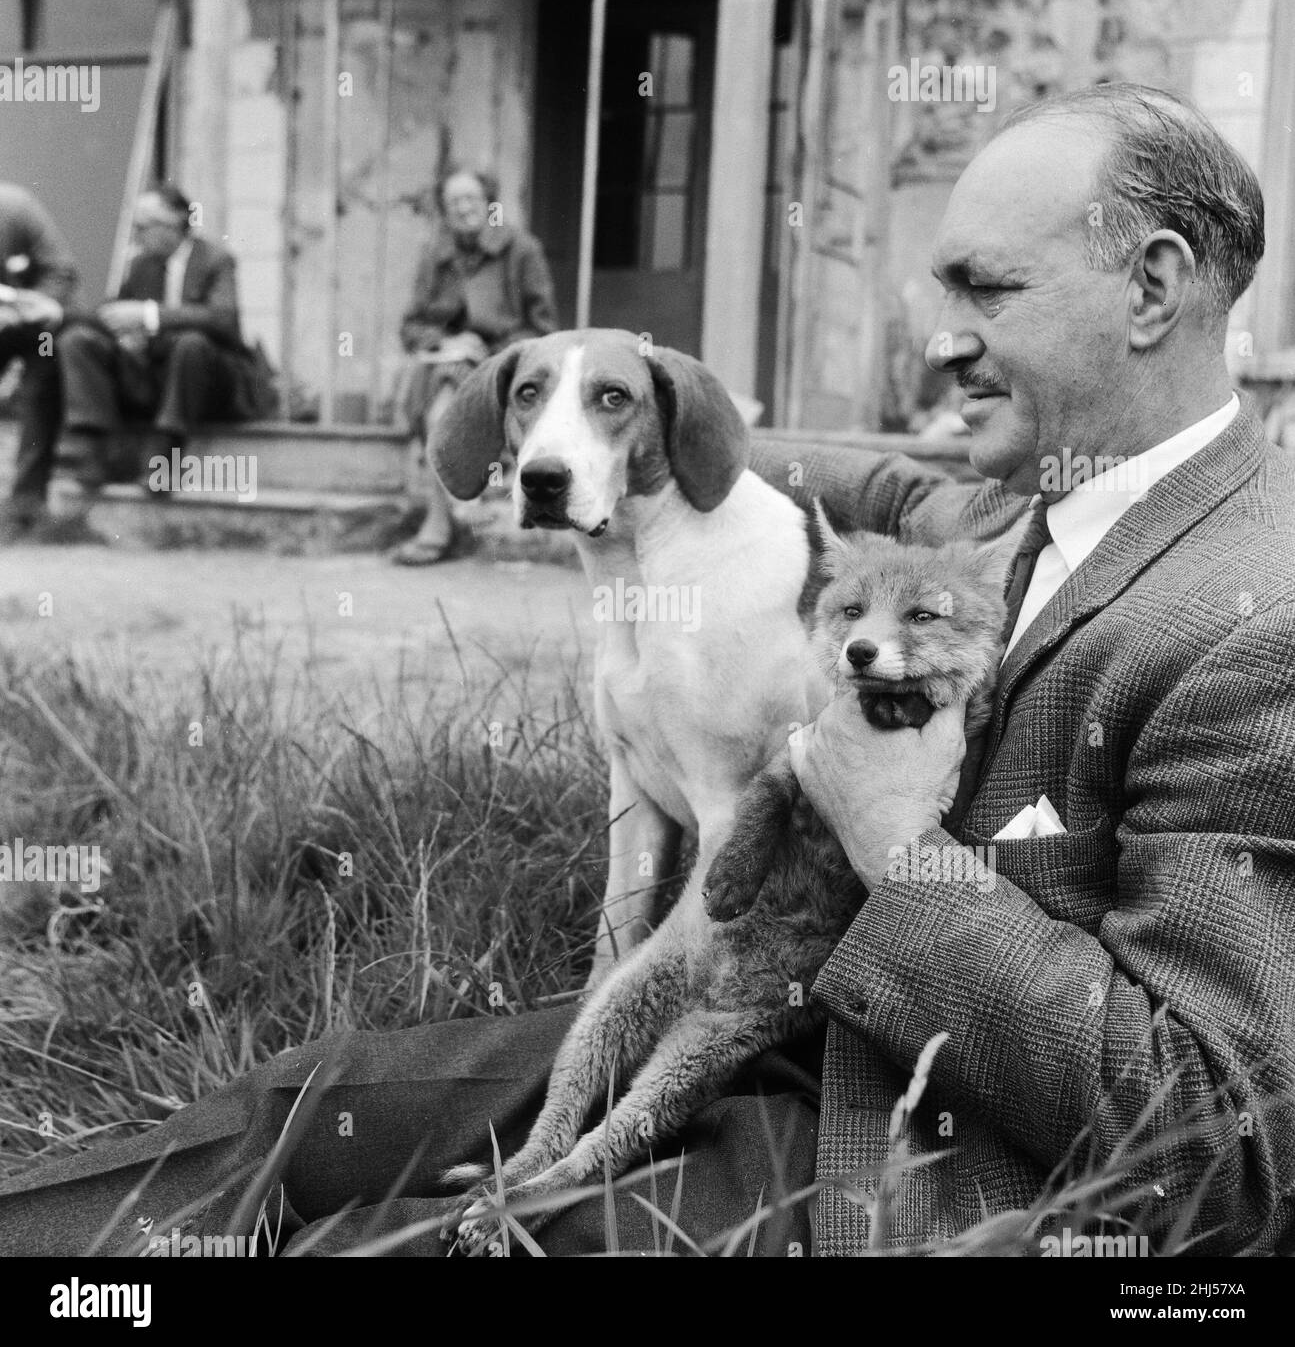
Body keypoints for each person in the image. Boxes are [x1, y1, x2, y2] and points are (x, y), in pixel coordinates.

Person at [1, 83, 1292, 1258]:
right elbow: (865, 480)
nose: (938, 337)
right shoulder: (1017, 504)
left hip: (901, 1141)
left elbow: (1220, 1143)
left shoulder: (1250, 620)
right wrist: (618, 415)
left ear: (1150, 288)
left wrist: (900, 840)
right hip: (754, 987)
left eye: (983, 292)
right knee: (303, 1101)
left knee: (397, 1242)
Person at [391, 167, 558, 565]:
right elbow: (411, 325)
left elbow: (544, 328)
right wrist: (447, 341)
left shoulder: (522, 250)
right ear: (445, 212)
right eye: (453, 203)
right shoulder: (437, 256)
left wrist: (488, 348)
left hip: (504, 363)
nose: (463, 209)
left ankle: (441, 520)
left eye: (471, 200)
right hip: (445, 365)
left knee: (445, 405)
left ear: (488, 203)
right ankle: (454, 509)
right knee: (440, 399)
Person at [55, 185, 260, 492]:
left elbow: (223, 319)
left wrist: (150, 315)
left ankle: (165, 454)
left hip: (208, 380)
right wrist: (62, 314)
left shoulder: (215, 259)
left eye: (142, 227)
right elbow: (114, 314)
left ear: (173, 225)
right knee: (78, 340)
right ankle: (93, 449)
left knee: (192, 342)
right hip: (156, 376)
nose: (136, 235)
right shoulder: (141, 266)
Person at [0, 182, 77, 536]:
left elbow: (61, 270)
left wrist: (32, 305)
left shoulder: (15, 207)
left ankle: (25, 508)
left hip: (36, 326)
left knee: (38, 391)